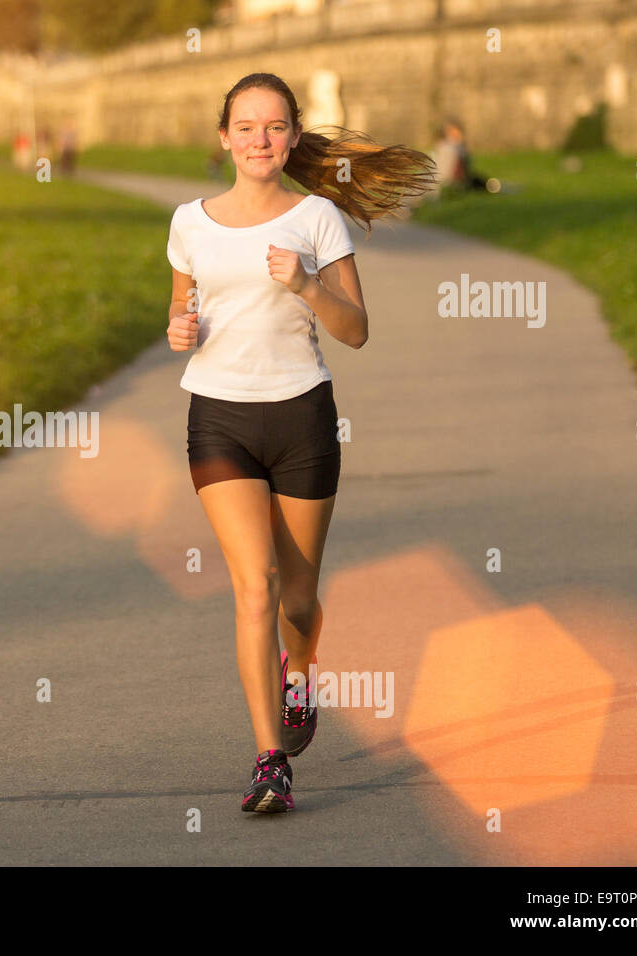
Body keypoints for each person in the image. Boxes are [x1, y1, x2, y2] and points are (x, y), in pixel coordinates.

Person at [165, 72, 435, 812]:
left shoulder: (317, 218)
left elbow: (356, 330)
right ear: (224, 137)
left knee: (300, 597)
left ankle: (299, 671)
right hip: (218, 416)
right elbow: (182, 313)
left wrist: (307, 286)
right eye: (246, 127)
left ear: (291, 136)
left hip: (301, 419)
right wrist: (177, 330)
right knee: (254, 587)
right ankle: (268, 759)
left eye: (274, 127)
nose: (260, 140)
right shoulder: (190, 221)